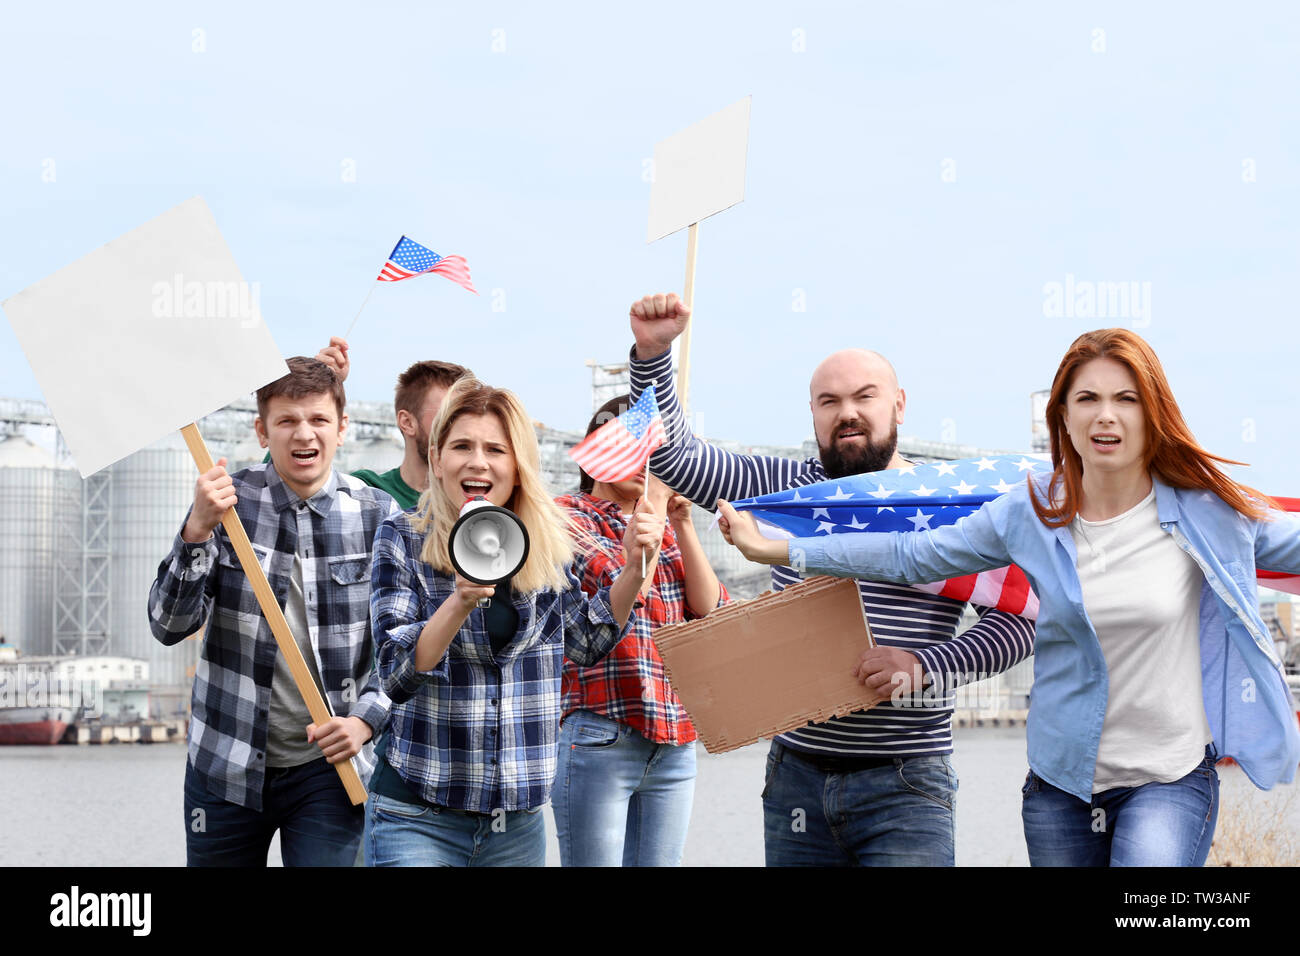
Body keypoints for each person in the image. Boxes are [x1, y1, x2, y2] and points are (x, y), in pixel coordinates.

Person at [720, 327, 1300, 866]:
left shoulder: (1207, 513)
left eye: (1126, 399)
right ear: (1063, 417)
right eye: (1087, 399)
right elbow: (911, 555)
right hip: (1061, 788)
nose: (1106, 415)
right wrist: (782, 550)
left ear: (1153, 412)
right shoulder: (1029, 512)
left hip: (1168, 778)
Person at [624, 292, 1036, 867]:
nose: (848, 412)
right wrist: (652, 356)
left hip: (906, 782)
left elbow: (1019, 620)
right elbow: (676, 459)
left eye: (865, 396)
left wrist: (926, 666)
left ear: (899, 405)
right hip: (794, 776)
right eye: (830, 401)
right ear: (813, 413)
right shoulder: (786, 489)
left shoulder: (949, 504)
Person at [365, 378, 663, 866]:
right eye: (462, 446)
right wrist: (459, 601)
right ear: (436, 459)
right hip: (417, 813)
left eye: (495, 450)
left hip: (515, 827)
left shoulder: (546, 544)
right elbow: (396, 672)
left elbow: (586, 641)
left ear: (518, 466)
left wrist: (632, 570)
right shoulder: (402, 536)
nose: (478, 462)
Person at [148, 357, 398, 866]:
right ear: (262, 431)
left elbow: (401, 649)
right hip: (225, 761)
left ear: (342, 428)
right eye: (286, 421)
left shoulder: (378, 514)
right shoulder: (226, 505)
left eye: (319, 419)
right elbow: (168, 626)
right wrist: (197, 530)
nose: (304, 433)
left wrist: (366, 720)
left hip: (329, 768)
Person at [552, 395, 729, 867]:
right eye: (632, 449)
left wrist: (683, 522)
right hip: (603, 728)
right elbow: (622, 592)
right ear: (598, 452)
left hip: (674, 737)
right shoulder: (566, 515)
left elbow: (711, 610)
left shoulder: (665, 526)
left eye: (656, 455)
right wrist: (655, 515)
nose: (648, 466)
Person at [311, 335, 471, 509]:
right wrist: (320, 389)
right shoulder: (367, 491)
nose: (463, 428)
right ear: (407, 422)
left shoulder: (477, 498)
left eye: (467, 417)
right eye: (449, 416)